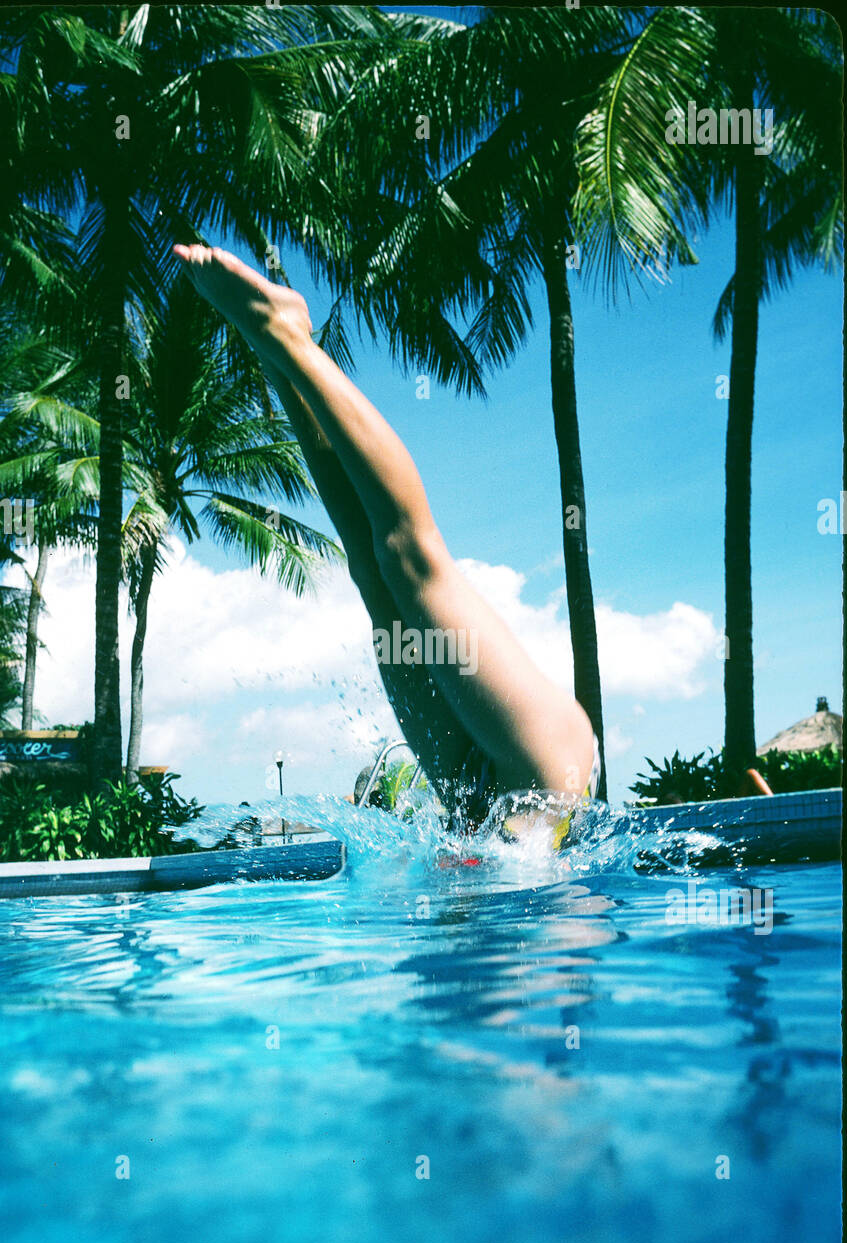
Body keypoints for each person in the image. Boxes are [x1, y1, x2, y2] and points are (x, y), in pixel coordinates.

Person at [172, 244, 598, 840]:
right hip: (542, 771)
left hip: (474, 796)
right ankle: (289, 334)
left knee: (373, 572)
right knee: (408, 557)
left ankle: (272, 347)